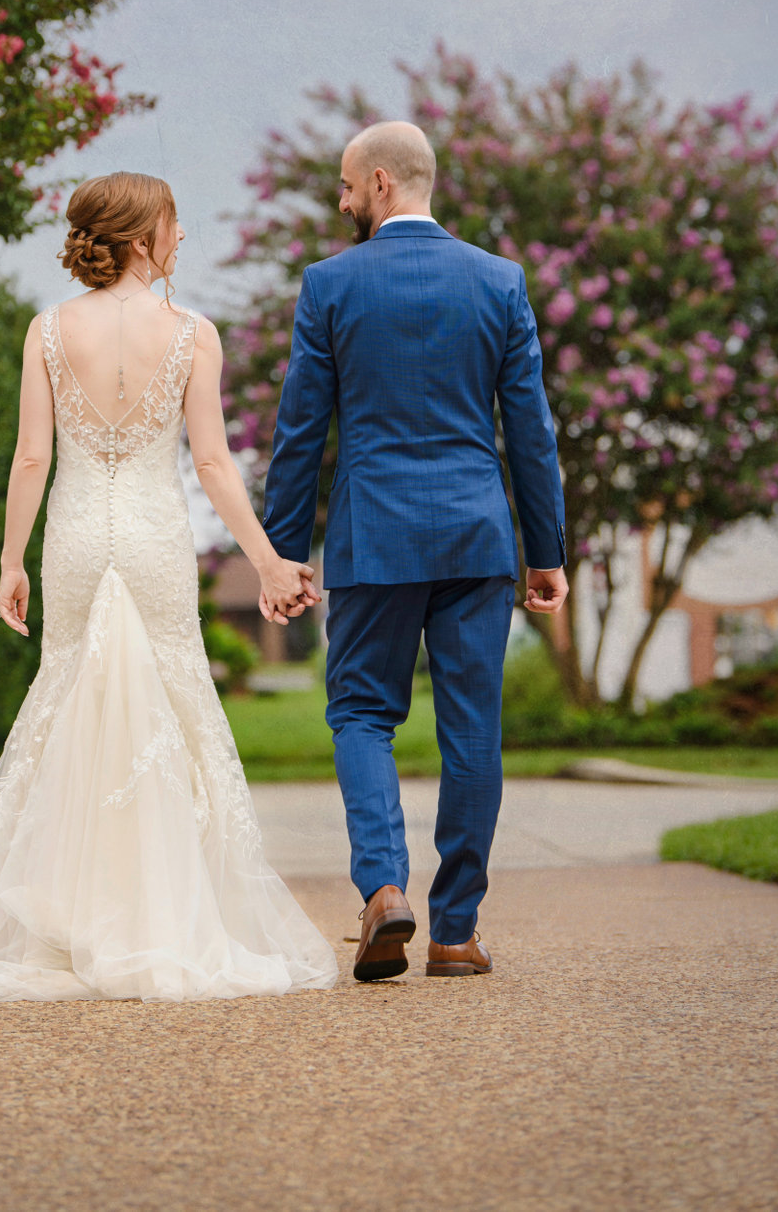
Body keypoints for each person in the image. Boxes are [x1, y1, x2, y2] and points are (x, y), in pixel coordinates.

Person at [0, 172, 337, 1003]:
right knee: (171, 710)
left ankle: (72, 920)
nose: (183, 238)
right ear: (144, 235)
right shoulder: (189, 335)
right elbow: (211, 464)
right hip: (150, 539)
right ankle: (163, 921)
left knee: (72, 703)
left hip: (73, 538)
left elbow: (31, 457)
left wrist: (11, 558)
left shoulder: (46, 330)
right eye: (175, 224)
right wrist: (265, 559)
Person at [263, 122, 568, 982]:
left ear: (383, 183)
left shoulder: (329, 285)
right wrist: (543, 549)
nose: (340, 201)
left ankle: (383, 892)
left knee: (362, 714)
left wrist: (286, 553)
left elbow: (299, 433)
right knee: (474, 729)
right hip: (476, 537)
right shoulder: (498, 281)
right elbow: (530, 434)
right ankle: (455, 932)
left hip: (374, 535)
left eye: (347, 187)